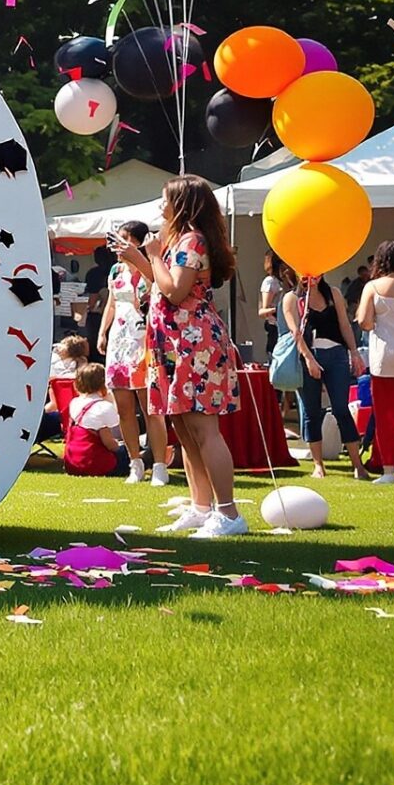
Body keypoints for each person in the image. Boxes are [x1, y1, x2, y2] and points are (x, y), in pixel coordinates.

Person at [112, 177, 245, 537]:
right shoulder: (177, 242)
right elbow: (161, 285)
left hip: (194, 344)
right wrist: (142, 259)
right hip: (173, 346)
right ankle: (201, 507)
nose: (160, 208)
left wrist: (152, 255)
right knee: (185, 431)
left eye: (165, 201)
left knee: (204, 430)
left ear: (182, 205)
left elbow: (174, 291)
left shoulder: (192, 241)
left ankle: (230, 514)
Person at [97, 220, 170, 487]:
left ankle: (160, 464)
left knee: (150, 405)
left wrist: (140, 261)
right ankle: (135, 462)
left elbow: (157, 288)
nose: (118, 246)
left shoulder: (151, 268)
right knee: (124, 407)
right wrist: (102, 332)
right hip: (120, 339)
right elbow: (112, 302)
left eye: (125, 239)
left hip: (144, 339)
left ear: (137, 242)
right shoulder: (116, 270)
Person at [279, 262, 368, 479]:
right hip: (309, 357)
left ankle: (358, 465)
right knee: (311, 411)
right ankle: (318, 465)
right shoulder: (292, 299)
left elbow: (345, 325)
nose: (312, 276)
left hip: (336, 354)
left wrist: (354, 352)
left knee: (341, 408)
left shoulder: (333, 293)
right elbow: (295, 333)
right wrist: (309, 359)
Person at [355, 239, 394, 485]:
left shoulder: (373, 287)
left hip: (386, 359)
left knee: (386, 415)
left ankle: (389, 470)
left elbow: (365, 321)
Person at [64, 358, 124, 477]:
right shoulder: (104, 407)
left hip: (73, 462)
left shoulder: (74, 403)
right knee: (130, 451)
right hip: (94, 463)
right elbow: (110, 444)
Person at [257, 248, 287, 359]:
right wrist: (279, 308)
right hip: (275, 327)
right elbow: (264, 310)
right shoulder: (270, 281)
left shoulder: (283, 281)